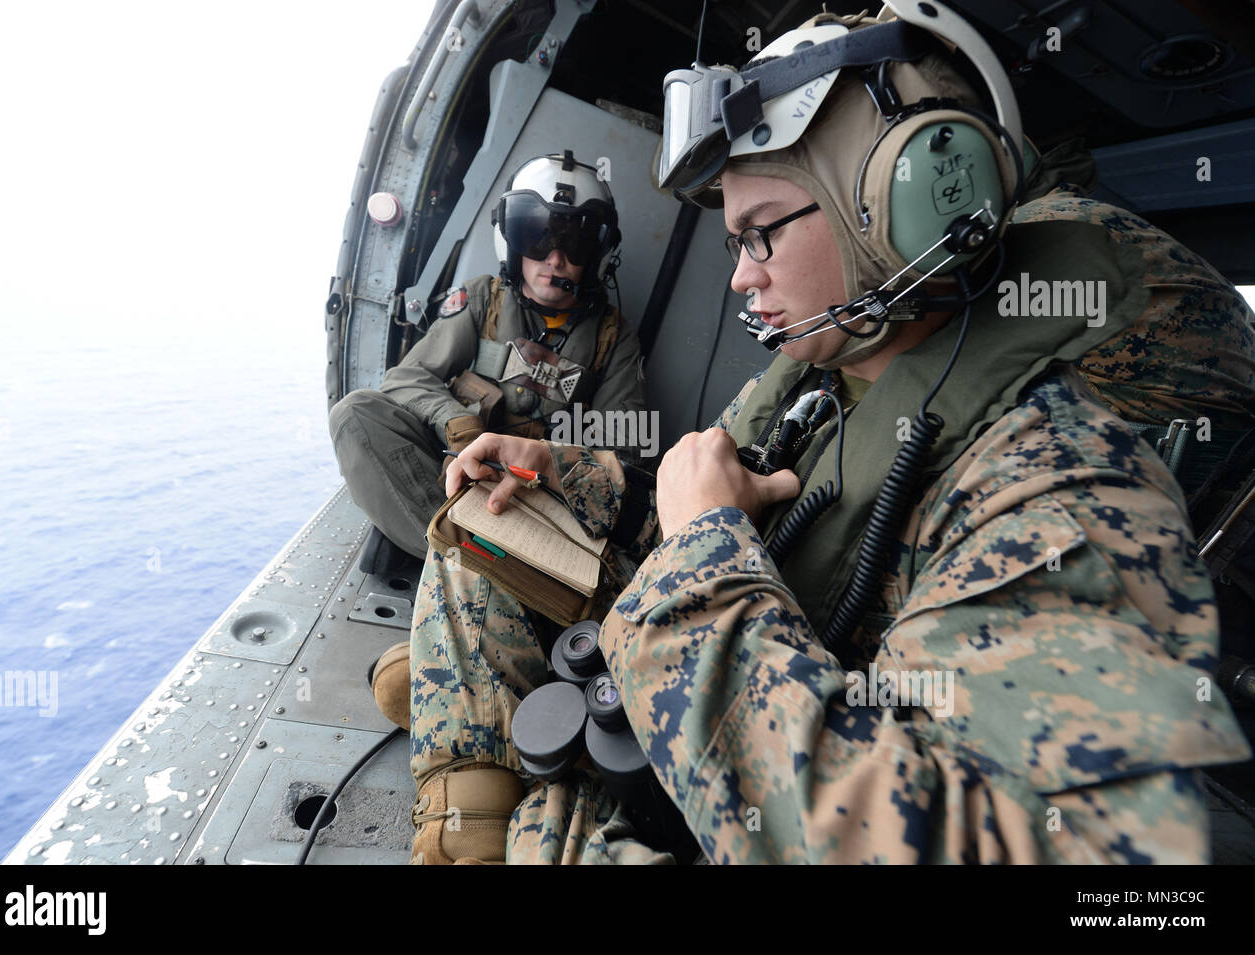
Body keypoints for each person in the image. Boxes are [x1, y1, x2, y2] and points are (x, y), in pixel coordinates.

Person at [398, 4, 1254, 864]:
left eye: (760, 233)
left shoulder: (1064, 492)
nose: (738, 274)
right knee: (489, 512)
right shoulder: (836, 357)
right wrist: (567, 471)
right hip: (739, 660)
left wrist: (702, 562)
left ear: (891, 206)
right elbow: (715, 482)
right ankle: (475, 794)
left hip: (779, 743)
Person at [328, 151, 647, 575]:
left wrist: (547, 460)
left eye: (575, 244)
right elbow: (407, 381)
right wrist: (458, 426)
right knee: (355, 413)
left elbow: (624, 452)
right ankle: (459, 556)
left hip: (539, 496)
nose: (554, 259)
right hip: (459, 471)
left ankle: (485, 571)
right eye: (539, 237)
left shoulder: (614, 337)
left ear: (598, 254)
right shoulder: (483, 299)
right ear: (512, 240)